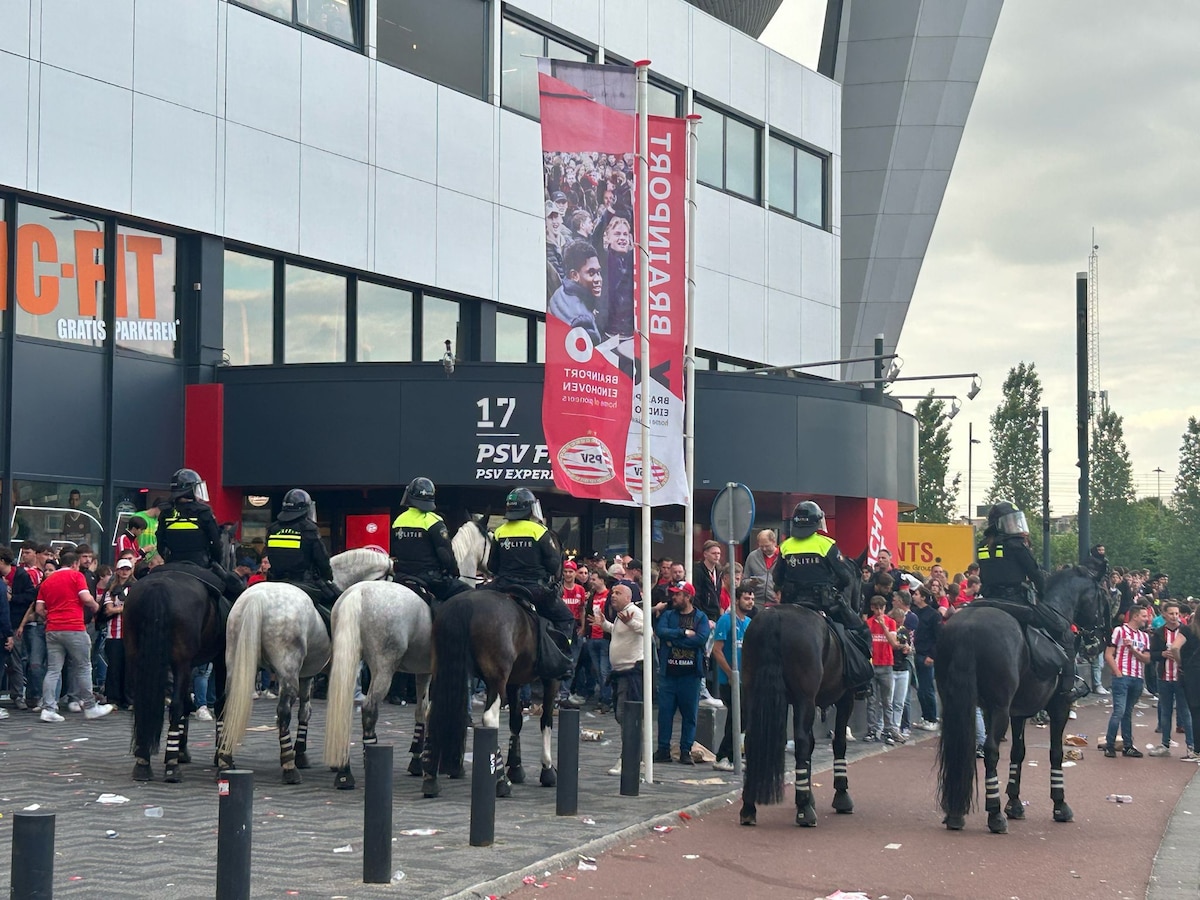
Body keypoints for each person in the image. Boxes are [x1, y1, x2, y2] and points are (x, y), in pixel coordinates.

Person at [977, 499, 1084, 701]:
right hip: (1016, 600)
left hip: (988, 598)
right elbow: (1035, 574)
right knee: (1064, 631)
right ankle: (1068, 687)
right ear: (999, 524)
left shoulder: (982, 546)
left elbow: (984, 576)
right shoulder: (1016, 545)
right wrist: (1044, 594)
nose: (1014, 525)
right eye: (1009, 521)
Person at [774, 501, 873, 689]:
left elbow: (777, 578)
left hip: (791, 604)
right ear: (817, 523)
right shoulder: (826, 544)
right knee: (861, 630)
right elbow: (845, 577)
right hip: (824, 604)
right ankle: (861, 683)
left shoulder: (785, 546)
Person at [488, 487, 573, 680]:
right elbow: (553, 566)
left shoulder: (500, 531)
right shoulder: (539, 531)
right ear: (529, 509)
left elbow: (492, 566)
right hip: (534, 589)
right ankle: (562, 656)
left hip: (502, 587)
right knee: (566, 617)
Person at [34, 551, 113, 722]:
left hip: (52, 629)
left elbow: (39, 609)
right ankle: (90, 707)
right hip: (74, 627)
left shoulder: (47, 581)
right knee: (83, 667)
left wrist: (51, 616)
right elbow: (85, 597)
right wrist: (94, 606)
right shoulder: (76, 576)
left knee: (53, 670)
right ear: (75, 564)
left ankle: (48, 708)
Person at [153, 468, 243, 603]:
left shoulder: (166, 512)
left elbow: (160, 541)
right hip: (200, 564)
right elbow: (216, 543)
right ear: (190, 490)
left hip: (172, 562)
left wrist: (168, 558)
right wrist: (215, 562)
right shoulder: (204, 512)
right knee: (230, 591)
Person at [654, 580, 710, 765]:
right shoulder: (669, 614)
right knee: (664, 714)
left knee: (689, 715)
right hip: (669, 673)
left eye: (678, 594)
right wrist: (684, 633)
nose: (673, 597)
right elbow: (661, 631)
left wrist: (674, 640)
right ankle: (663, 749)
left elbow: (701, 638)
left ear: (688, 596)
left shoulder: (700, 617)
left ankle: (686, 750)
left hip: (691, 674)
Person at [390, 477, 469, 608]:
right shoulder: (434, 521)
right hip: (430, 579)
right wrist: (454, 571)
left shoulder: (399, 520)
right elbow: (445, 555)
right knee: (468, 594)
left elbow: (395, 550)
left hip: (402, 577)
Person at [265, 488, 340, 618]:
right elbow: (322, 559)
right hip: (304, 583)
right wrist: (328, 576)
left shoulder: (273, 529)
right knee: (335, 604)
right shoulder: (308, 529)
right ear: (305, 509)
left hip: (275, 580)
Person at [601, 583, 644, 777]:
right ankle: (634, 756)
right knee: (623, 716)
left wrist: (631, 623)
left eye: (618, 593)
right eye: (612, 593)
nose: (613, 596)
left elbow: (647, 631)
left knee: (626, 716)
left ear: (628, 597)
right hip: (620, 672)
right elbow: (620, 633)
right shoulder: (622, 615)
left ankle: (629, 758)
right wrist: (605, 625)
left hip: (631, 672)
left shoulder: (633, 612)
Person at [711, 582, 755, 771]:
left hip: (746, 681)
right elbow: (717, 650)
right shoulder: (726, 620)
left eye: (752, 598)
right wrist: (730, 673)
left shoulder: (749, 622)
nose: (750, 602)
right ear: (737, 600)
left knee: (743, 718)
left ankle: (734, 754)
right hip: (728, 680)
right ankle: (722, 756)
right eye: (746, 598)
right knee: (736, 717)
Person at [1104, 605, 1151, 758]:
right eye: (1144, 616)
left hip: (1137, 677)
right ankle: (1109, 745)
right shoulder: (1120, 631)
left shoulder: (1144, 637)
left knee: (1128, 712)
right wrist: (1117, 672)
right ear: (1135, 616)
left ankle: (1128, 745)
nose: (1146, 619)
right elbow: (1109, 654)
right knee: (1119, 710)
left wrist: (1133, 650)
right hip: (1123, 676)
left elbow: (1147, 658)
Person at [1149, 601, 1194, 758]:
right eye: (1171, 613)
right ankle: (1165, 744)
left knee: (1185, 712)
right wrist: (1161, 654)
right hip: (1164, 677)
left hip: (1182, 678)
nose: (1175, 616)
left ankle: (1191, 747)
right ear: (1164, 615)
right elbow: (1151, 654)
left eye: (1177, 613)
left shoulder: (1187, 631)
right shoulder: (1159, 632)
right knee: (1165, 713)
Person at [548, 240, 603, 346]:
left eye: (598, 272)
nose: (598, 279)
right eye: (591, 273)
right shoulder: (583, 320)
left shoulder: (560, 291)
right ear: (574, 275)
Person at [742, 529, 779, 604]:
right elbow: (743, 581)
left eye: (767, 546)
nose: (764, 549)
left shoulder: (782, 557)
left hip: (776, 602)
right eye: (761, 546)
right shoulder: (752, 556)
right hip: (756, 602)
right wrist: (750, 582)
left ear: (774, 542)